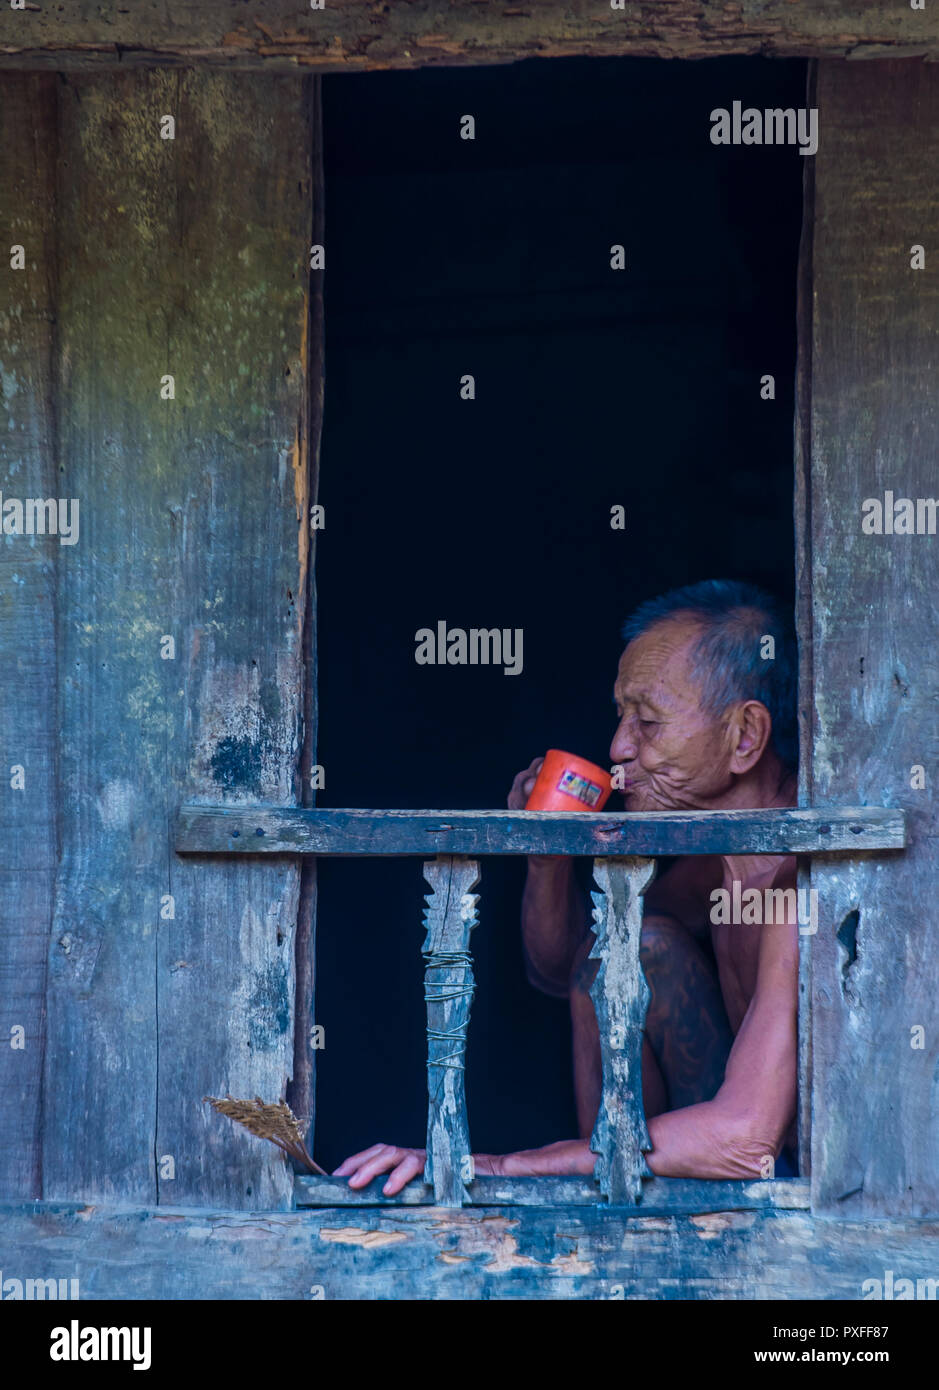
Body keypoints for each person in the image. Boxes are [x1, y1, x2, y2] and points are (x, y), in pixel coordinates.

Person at [334, 579, 800, 1194]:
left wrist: (498, 1165)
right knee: (634, 948)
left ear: (744, 737)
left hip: (802, 1177)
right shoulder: (723, 859)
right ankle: (621, 1195)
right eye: (621, 716)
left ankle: (607, 1176)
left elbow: (744, 1138)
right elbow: (568, 972)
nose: (617, 748)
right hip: (708, 1146)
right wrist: (550, 857)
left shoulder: (804, 883)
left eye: (650, 722)